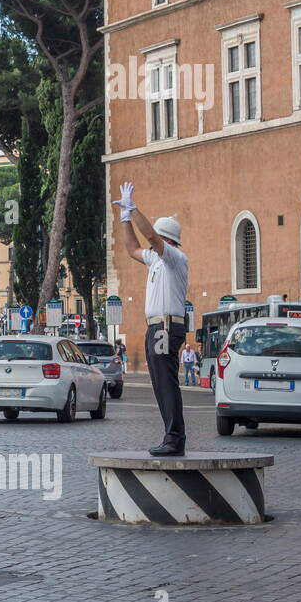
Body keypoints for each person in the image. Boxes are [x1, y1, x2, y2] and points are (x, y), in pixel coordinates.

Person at [114, 181, 190, 456]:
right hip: (157, 327)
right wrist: (125, 218)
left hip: (165, 327)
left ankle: (174, 438)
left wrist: (134, 210)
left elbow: (150, 240)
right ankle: (172, 435)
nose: (154, 240)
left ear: (167, 240)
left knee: (166, 382)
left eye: (158, 237)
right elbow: (132, 248)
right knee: (159, 382)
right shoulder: (156, 261)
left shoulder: (174, 257)